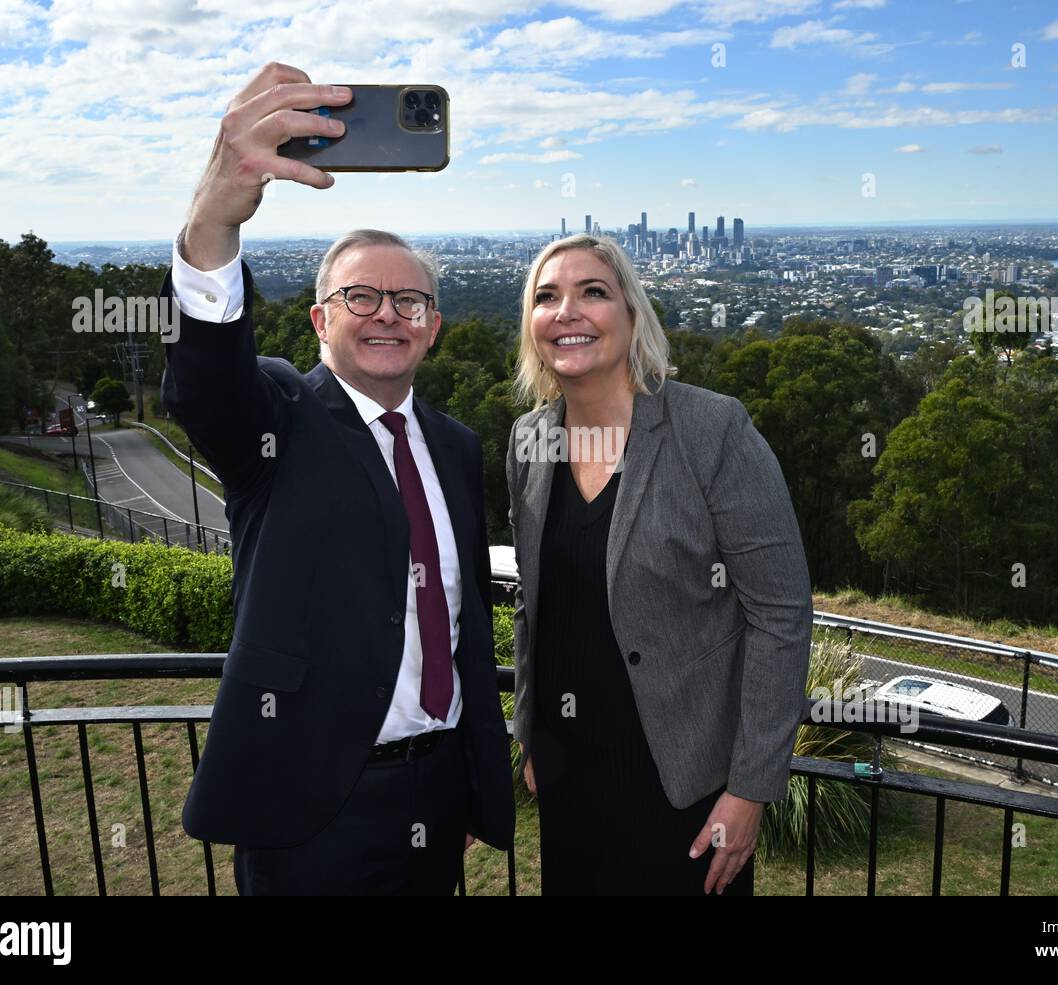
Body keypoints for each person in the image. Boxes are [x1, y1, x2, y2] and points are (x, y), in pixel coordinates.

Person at [162, 62, 514, 895]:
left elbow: (461, 629)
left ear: (433, 329)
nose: (387, 313)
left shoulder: (459, 447)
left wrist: (469, 778)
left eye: (410, 302)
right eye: (360, 296)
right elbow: (208, 384)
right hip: (308, 803)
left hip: (436, 795)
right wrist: (214, 217)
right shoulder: (279, 415)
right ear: (319, 319)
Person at [506, 234, 813, 895]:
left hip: (687, 793)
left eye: (593, 291)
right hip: (569, 781)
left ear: (633, 315)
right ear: (532, 328)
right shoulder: (529, 440)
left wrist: (750, 790)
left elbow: (780, 615)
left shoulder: (711, 430)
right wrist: (529, 730)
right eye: (546, 296)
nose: (568, 310)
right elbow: (535, 603)